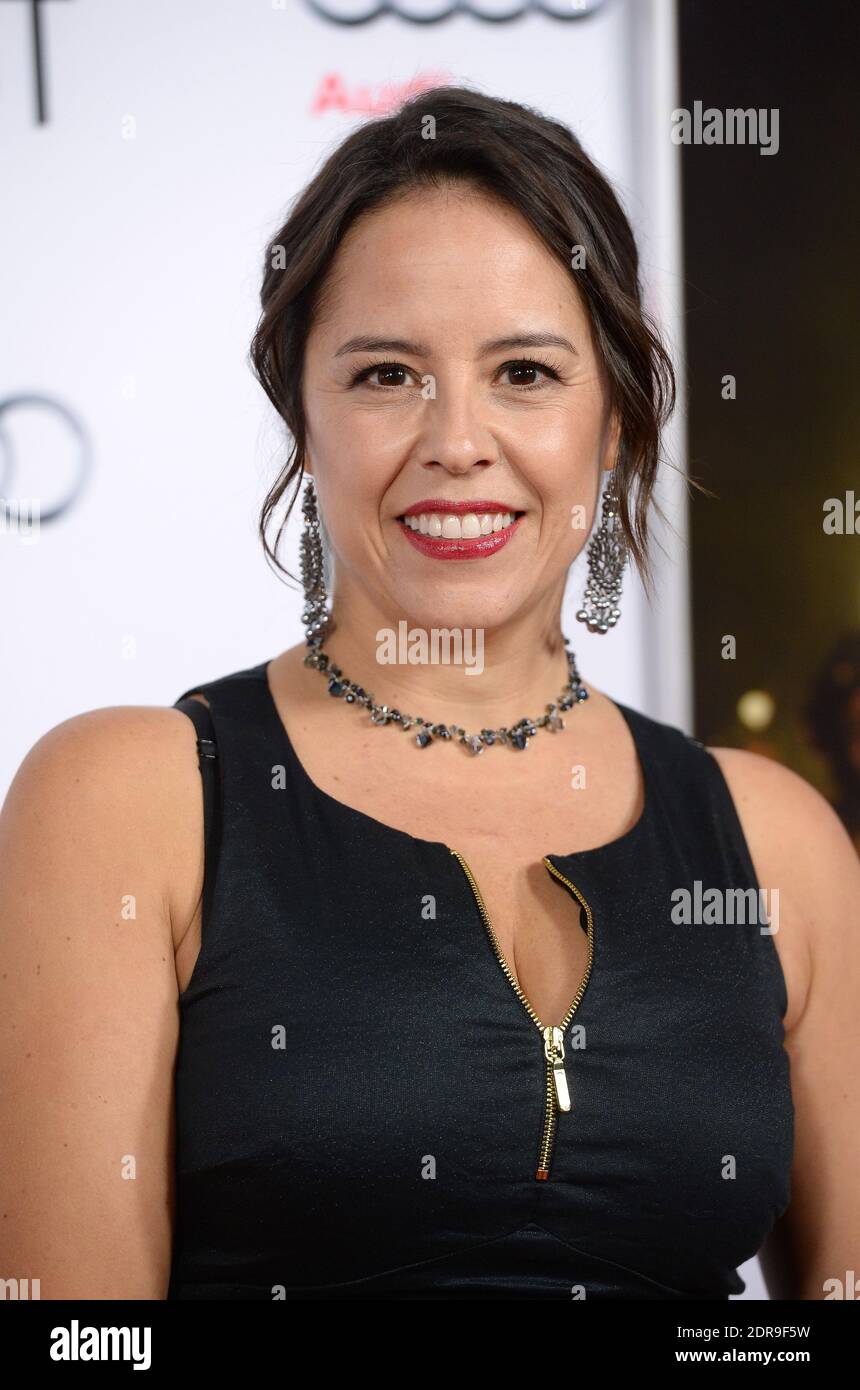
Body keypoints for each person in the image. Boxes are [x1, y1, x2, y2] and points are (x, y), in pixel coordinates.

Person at [1, 86, 857, 1301]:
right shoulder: (123, 800)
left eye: (523, 371)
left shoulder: (775, 843)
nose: (457, 441)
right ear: (302, 419)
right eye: (386, 374)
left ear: (611, 420)